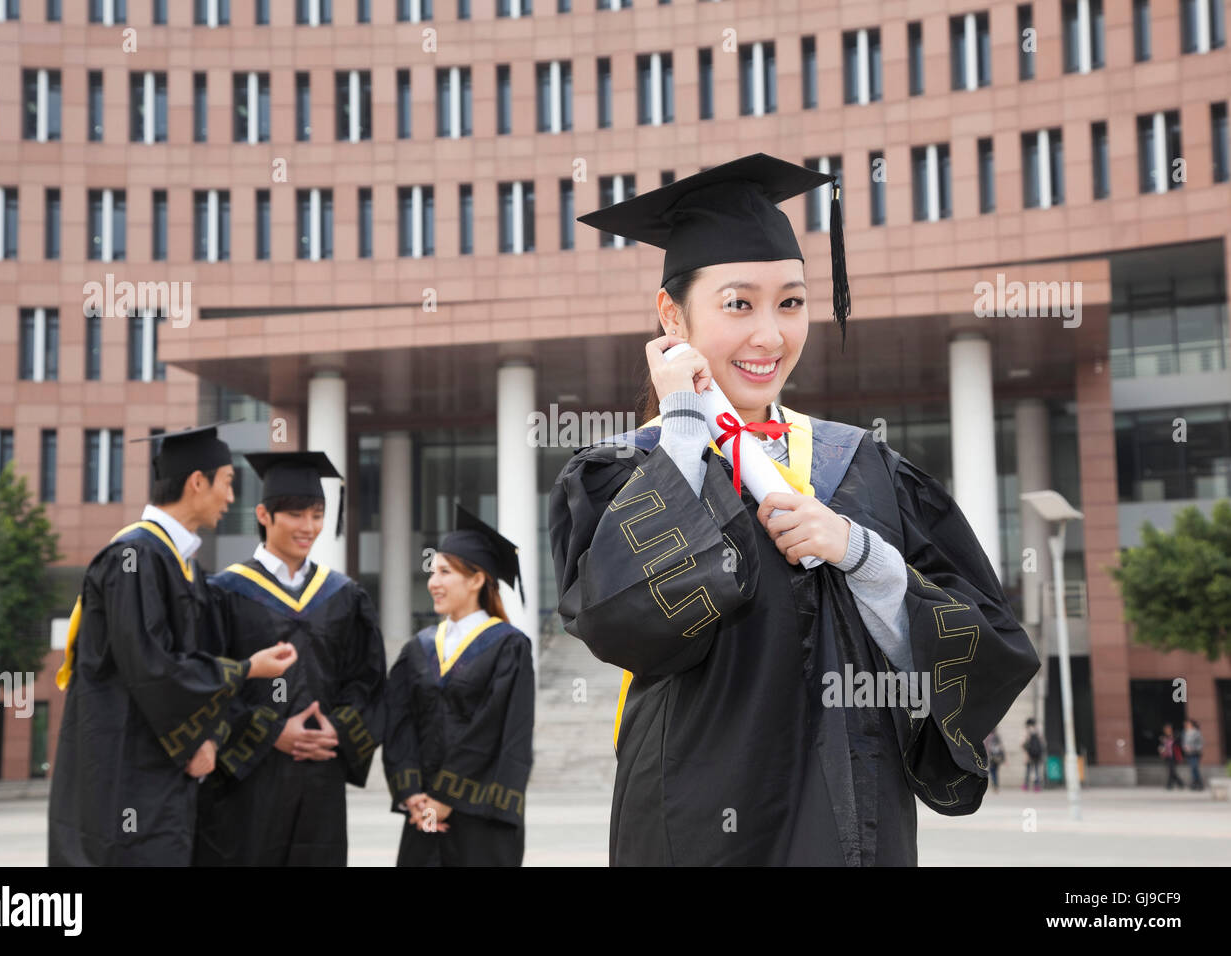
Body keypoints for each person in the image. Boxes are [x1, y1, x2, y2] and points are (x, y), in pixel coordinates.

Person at [549, 153, 1040, 865]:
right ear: (671, 316)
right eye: (738, 303)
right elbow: (619, 621)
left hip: (850, 816)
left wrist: (863, 556)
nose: (771, 337)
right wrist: (686, 428)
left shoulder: (863, 465)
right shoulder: (626, 469)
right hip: (690, 820)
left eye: (792, 301)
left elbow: (987, 648)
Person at [49, 424, 298, 866]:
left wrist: (208, 738)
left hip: (162, 778)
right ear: (196, 482)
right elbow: (151, 667)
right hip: (125, 775)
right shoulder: (134, 558)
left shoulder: (184, 568)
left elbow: (192, 662)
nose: (230, 498)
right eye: (227, 483)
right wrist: (246, 671)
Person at [193, 451, 386, 866]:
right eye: (296, 515)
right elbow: (207, 678)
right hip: (247, 782)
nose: (309, 527)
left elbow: (367, 681)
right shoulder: (224, 592)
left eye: (317, 515)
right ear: (264, 515)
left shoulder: (343, 596)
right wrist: (270, 732)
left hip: (320, 777)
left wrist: (335, 730)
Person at [383, 503, 535, 866]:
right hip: (422, 817)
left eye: (445, 572)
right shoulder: (418, 649)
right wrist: (413, 795)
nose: (433, 582)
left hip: (482, 816)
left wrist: (444, 800)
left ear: (477, 579)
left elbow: (497, 728)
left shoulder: (508, 646)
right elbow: (397, 724)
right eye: (432, 572)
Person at [1159, 723, 1185, 790]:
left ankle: (1171, 785)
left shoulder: (1176, 736)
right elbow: (1161, 746)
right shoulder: (1163, 737)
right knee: (1171, 771)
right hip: (1167, 756)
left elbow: (1179, 745)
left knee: (1172, 770)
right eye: (1166, 729)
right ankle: (1179, 783)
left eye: (1168, 729)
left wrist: (1173, 739)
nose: (1167, 730)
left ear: (1171, 729)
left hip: (1174, 756)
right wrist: (1161, 751)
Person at [1182, 719, 1204, 791]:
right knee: (1193, 768)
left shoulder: (1197, 732)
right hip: (1188, 754)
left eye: (1188, 724)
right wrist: (1185, 747)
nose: (1186, 725)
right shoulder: (1185, 733)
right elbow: (1183, 742)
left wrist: (1192, 748)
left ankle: (1197, 783)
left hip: (1195, 753)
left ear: (1191, 725)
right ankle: (1197, 783)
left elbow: (1200, 744)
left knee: (1194, 767)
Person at [1022, 719, 1043, 792]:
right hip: (1037, 754)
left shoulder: (1027, 732)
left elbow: (1024, 744)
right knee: (1036, 770)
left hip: (1029, 754)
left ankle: (1026, 786)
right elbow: (1042, 743)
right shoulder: (1038, 731)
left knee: (1028, 770)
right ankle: (1037, 786)